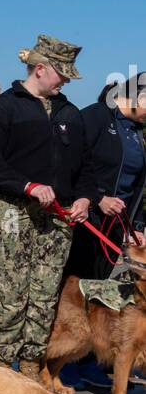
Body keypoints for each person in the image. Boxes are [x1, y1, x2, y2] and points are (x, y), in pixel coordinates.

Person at [0, 35, 94, 379]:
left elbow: (86, 168)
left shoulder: (70, 112)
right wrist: (28, 186)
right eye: (62, 73)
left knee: (44, 296)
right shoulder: (4, 108)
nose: (67, 80)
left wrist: (84, 199)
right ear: (40, 69)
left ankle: (30, 367)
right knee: (9, 294)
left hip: (56, 221)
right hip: (11, 214)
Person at [66, 77, 146, 279]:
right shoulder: (95, 116)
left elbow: (137, 185)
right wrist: (99, 198)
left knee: (97, 285)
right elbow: (70, 164)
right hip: (85, 219)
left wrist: (136, 227)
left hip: (116, 225)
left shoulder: (136, 131)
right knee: (72, 289)